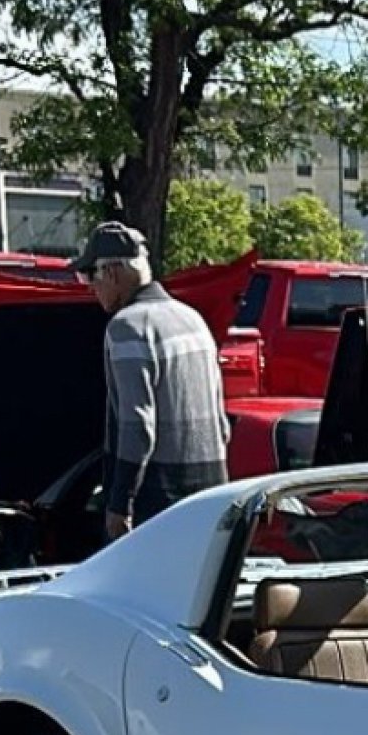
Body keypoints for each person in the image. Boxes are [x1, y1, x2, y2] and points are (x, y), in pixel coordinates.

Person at [71, 221, 227, 539]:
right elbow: (221, 423)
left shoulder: (127, 326)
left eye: (90, 275)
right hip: (212, 492)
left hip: (159, 500)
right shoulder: (193, 319)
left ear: (111, 272)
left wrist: (120, 504)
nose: (90, 287)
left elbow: (137, 426)